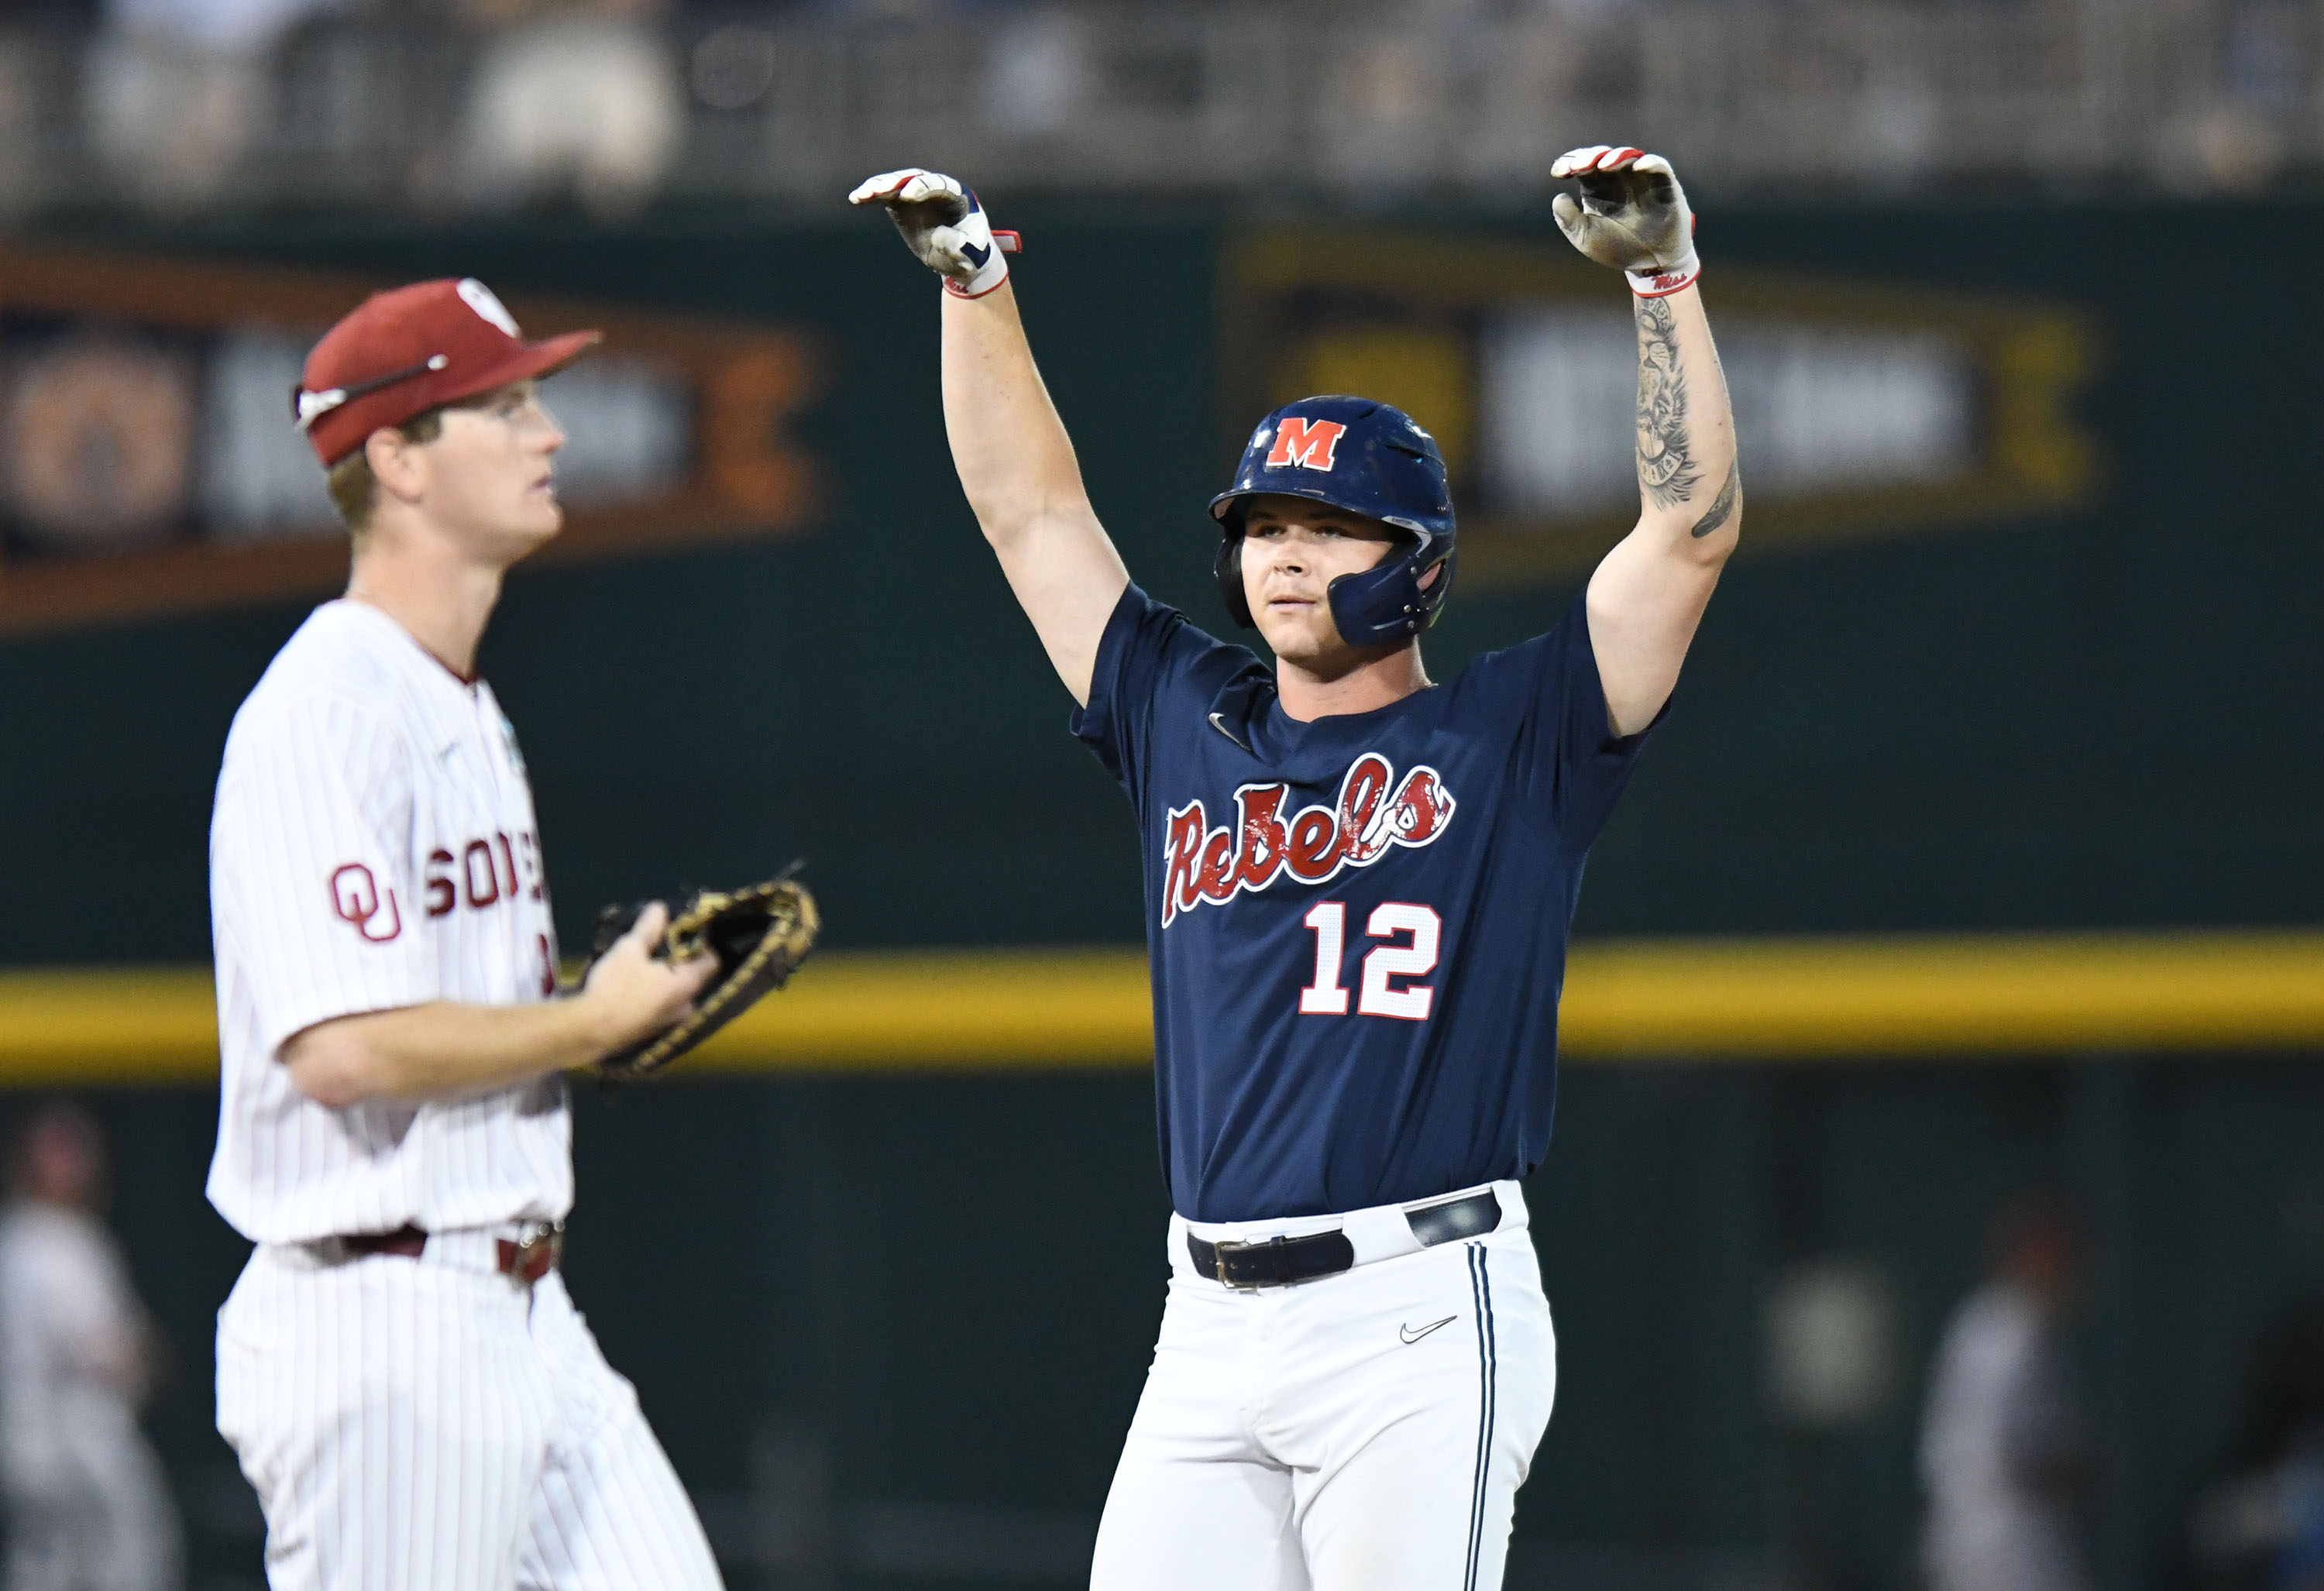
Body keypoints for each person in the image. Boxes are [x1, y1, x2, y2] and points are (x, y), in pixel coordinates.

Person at [852, 146, 1740, 1591]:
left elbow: (1687, 537)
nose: (1281, 553)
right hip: (1204, 1317)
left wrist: (1664, 282)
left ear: (1420, 563)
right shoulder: (1181, 716)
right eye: (1263, 523)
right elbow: (1032, 512)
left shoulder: (1512, 730)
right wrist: (975, 284)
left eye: (1326, 527)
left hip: (1415, 1310)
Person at [206, 276, 727, 1590]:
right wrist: (585, 1020)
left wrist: (605, 1005)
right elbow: (341, 1046)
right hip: (382, 1317)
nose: (550, 432)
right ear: (396, 456)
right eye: (503, 404)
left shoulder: (459, 701)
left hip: (522, 1305)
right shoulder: (325, 707)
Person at [0, 1103, 181, 1591]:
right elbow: (104, 1356)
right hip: (79, 1439)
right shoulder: (55, 1240)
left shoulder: (15, 1235)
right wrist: (147, 1357)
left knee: (45, 1568)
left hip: (26, 1440)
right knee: (133, 1557)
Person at [1920, 1194, 2091, 1591]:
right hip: (2005, 1535)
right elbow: (2007, 1451)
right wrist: (2073, 1470)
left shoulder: (1982, 1320)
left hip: (1976, 1528)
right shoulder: (2014, 1335)